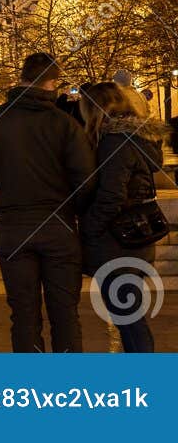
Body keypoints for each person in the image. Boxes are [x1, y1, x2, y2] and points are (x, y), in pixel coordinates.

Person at [0, 52, 94, 353]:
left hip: (13, 227)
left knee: (23, 315)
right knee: (65, 314)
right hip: (59, 224)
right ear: (52, 82)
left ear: (22, 78)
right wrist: (70, 208)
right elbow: (86, 179)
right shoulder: (66, 124)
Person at [79, 81, 165, 353]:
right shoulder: (137, 138)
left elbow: (111, 195)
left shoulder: (114, 142)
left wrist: (89, 229)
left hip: (116, 243)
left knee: (129, 320)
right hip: (135, 238)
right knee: (129, 315)